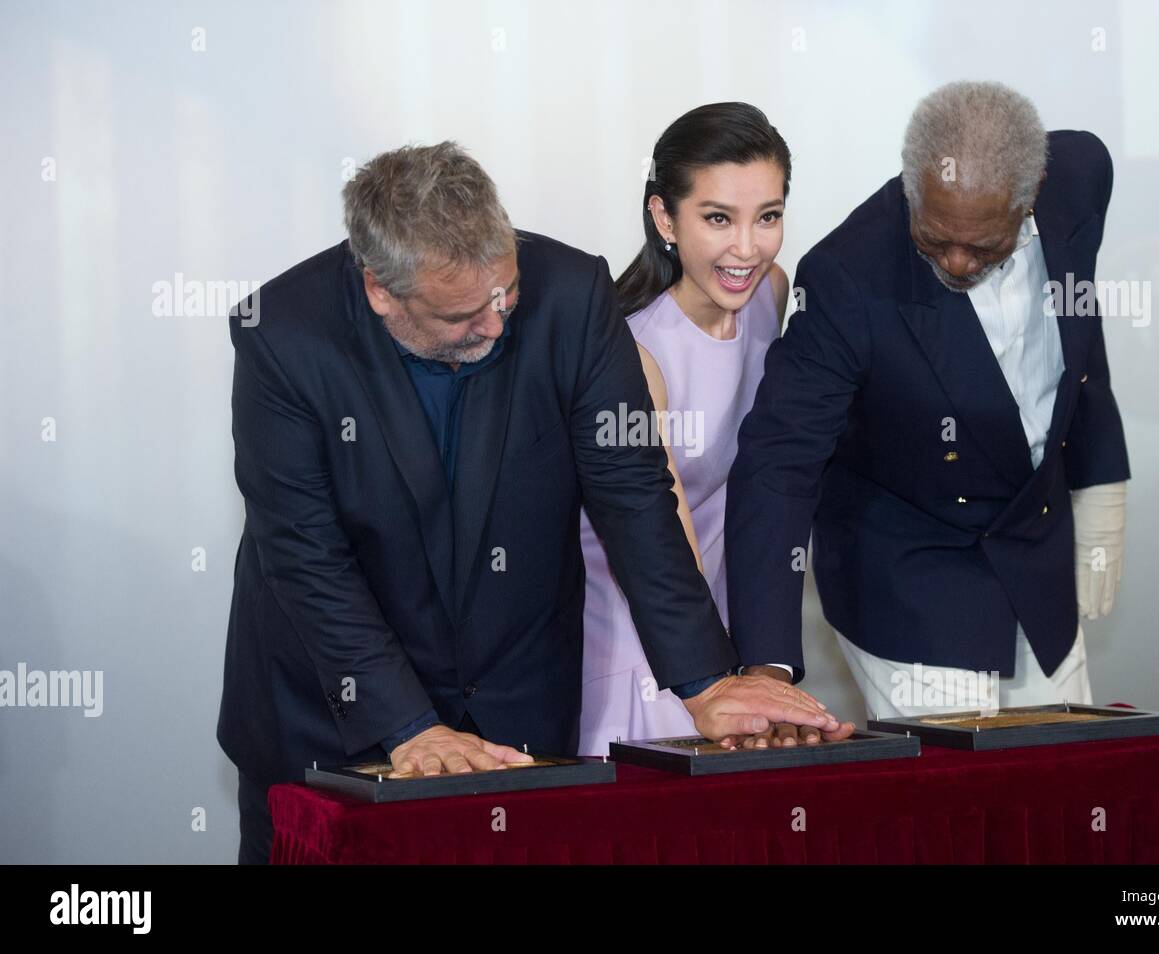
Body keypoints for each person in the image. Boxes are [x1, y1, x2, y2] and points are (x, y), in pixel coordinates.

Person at [218, 142, 844, 863]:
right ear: (380, 291)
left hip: (518, 697)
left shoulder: (572, 294)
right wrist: (408, 726)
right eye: (462, 316)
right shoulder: (284, 336)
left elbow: (633, 491)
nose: (495, 324)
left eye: (505, 296)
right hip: (331, 712)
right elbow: (305, 557)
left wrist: (705, 680)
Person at [725, 81, 1130, 722]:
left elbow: (1078, 327)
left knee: (1065, 787)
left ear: (1031, 196)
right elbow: (780, 461)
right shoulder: (847, 276)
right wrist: (765, 663)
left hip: (1036, 550)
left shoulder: (1081, 177)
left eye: (983, 245)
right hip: (907, 565)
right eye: (935, 239)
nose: (959, 262)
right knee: (959, 802)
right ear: (913, 185)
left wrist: (1101, 480)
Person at [577, 104, 855, 755]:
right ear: (663, 218)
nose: (747, 247)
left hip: (726, 616)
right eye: (717, 218)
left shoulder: (771, 292)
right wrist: (725, 673)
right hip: (648, 628)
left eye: (768, 216)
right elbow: (662, 521)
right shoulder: (634, 352)